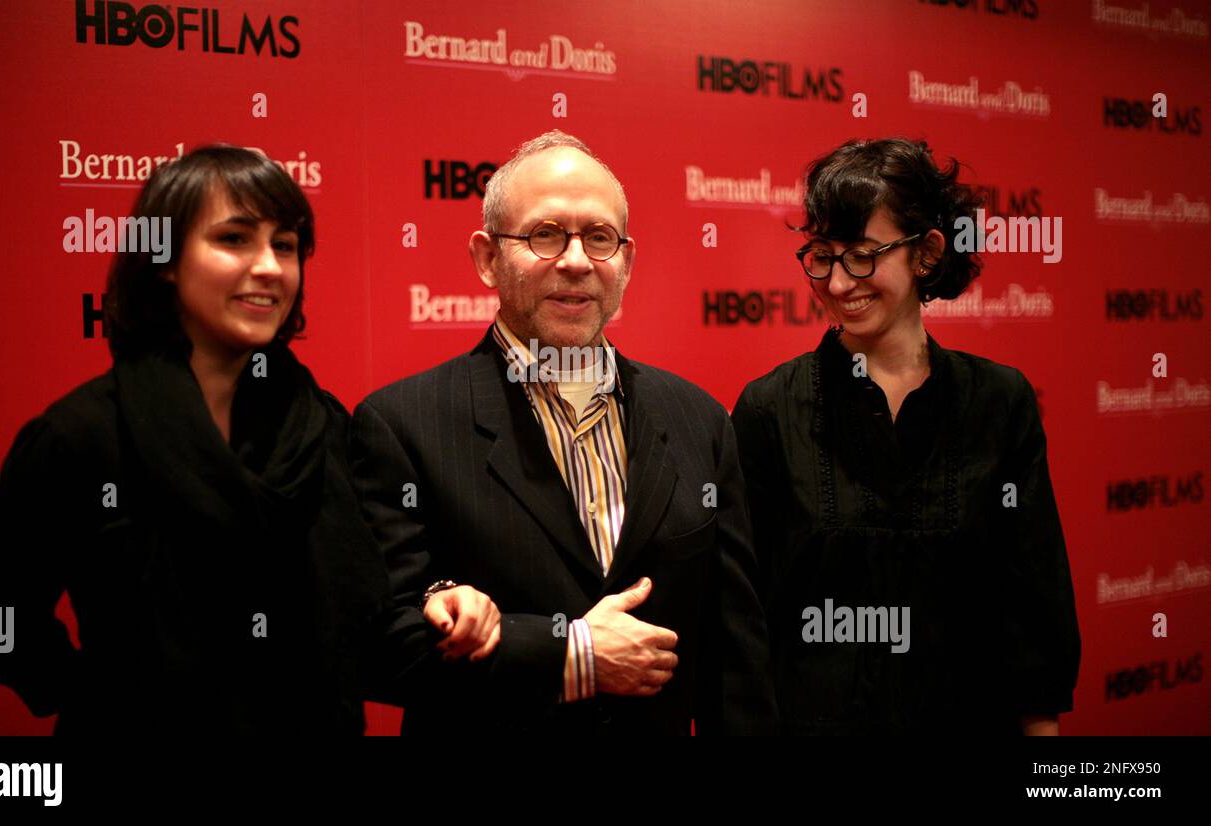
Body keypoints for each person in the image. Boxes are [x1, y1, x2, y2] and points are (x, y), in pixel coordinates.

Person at [0, 145, 499, 736]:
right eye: (235, 239)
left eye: (286, 245)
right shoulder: (80, 436)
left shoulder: (323, 426)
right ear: (163, 257)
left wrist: (443, 595)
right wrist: (101, 701)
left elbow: (373, 601)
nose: (270, 266)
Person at [347, 130, 777, 735]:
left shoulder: (698, 419)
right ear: (486, 258)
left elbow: (737, 655)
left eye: (599, 238)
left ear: (626, 260)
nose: (576, 261)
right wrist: (573, 655)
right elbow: (379, 644)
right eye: (544, 235)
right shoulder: (400, 425)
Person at [731, 137, 1081, 735]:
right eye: (822, 255)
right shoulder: (769, 409)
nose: (839, 283)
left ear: (927, 253)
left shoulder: (1000, 403)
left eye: (863, 255)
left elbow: (1031, 606)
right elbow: (743, 623)